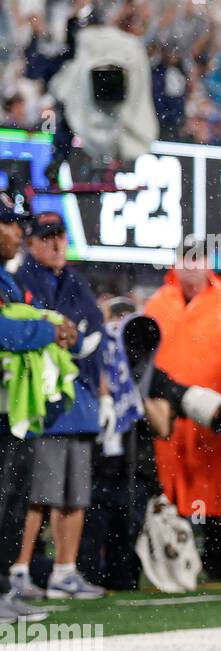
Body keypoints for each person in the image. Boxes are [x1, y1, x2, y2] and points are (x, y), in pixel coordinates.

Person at [144, 245, 221, 582]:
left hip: (213, 416)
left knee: (217, 493)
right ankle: (161, 562)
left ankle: (216, 561)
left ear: (208, 265)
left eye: (196, 262)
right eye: (184, 262)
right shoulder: (159, 303)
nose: (189, 269)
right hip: (167, 415)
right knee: (165, 490)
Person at [10, 213, 108, 601]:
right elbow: (39, 324)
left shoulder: (75, 280)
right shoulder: (21, 279)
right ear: (31, 243)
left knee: (74, 493)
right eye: (47, 238)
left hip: (78, 398)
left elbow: (95, 328)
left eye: (60, 237)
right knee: (37, 494)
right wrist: (64, 332)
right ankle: (18, 568)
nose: (56, 245)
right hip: (44, 398)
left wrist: (103, 395)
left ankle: (64, 571)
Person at [0, 196, 76, 621]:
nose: (17, 234)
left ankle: (2, 588)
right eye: (8, 225)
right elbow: (4, 330)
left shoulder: (8, 282)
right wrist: (45, 329)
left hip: (13, 407)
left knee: (13, 500)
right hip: (6, 406)